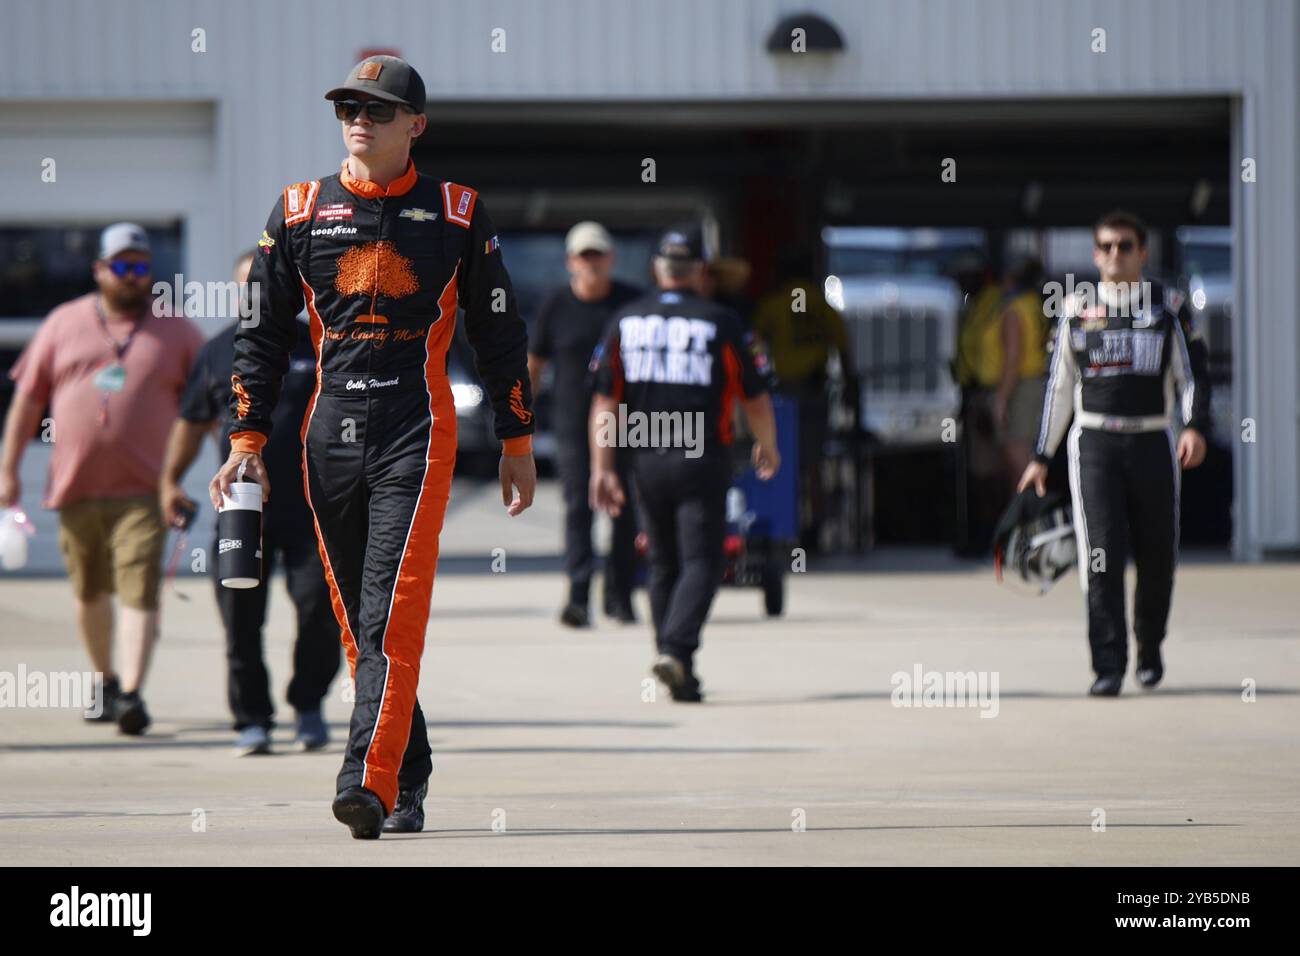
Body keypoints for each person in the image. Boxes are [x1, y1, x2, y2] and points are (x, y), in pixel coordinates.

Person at [208, 55, 536, 839]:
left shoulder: (457, 212)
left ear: (415, 125)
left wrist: (516, 436)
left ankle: (368, 780)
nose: (361, 118)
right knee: (360, 620)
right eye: (350, 106)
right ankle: (411, 771)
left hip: (415, 433)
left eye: (380, 109)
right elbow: (257, 335)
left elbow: (499, 331)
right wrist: (247, 438)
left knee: (391, 613)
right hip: (327, 436)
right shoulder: (297, 211)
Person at [0, 223, 203, 734]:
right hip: (75, 488)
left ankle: (132, 694)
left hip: (146, 491)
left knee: (139, 590)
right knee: (90, 591)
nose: (132, 276)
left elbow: (208, 400)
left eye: (140, 266)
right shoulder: (62, 323)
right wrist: (7, 471)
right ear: (99, 270)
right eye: (121, 266)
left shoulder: (174, 329)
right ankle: (106, 680)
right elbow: (27, 403)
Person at [1019, 210, 1210, 697]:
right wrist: (1042, 455)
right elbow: (1059, 388)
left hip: (1152, 440)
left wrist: (1192, 427)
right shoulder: (1076, 310)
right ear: (1094, 255)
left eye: (1125, 246)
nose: (1115, 255)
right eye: (1105, 247)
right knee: (1099, 554)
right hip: (1095, 443)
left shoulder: (1169, 307)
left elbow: (1192, 376)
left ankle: (1149, 647)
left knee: (1157, 553)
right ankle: (1107, 664)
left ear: (1143, 252)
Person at [590, 224, 779, 702]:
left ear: (657, 269)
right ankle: (675, 649)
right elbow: (754, 396)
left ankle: (677, 662)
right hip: (700, 455)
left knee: (662, 560)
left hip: (645, 456)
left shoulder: (625, 320)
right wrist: (768, 444)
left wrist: (603, 467)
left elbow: (605, 402)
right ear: (699, 271)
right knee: (704, 559)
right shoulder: (721, 323)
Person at [161, 250, 340, 756]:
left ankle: (307, 704)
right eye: (250, 286)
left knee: (320, 612)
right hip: (242, 506)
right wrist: (170, 481)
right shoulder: (219, 350)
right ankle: (252, 719)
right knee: (240, 615)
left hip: (311, 505)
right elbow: (192, 423)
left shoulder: (321, 342)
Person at [527, 221, 641, 627]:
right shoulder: (556, 305)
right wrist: (520, 416)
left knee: (625, 510)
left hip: (627, 422)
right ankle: (578, 597)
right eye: (583, 255)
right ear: (571, 261)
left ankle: (621, 595)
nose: (591, 263)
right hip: (573, 424)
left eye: (598, 255)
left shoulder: (632, 303)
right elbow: (535, 364)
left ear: (611, 258)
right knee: (579, 507)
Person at [752, 248, 854, 552]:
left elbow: (754, 346)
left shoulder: (775, 304)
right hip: (816, 390)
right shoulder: (823, 306)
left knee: (781, 461)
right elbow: (844, 352)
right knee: (814, 464)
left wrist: (759, 381)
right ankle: (814, 530)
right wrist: (850, 390)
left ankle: (787, 528)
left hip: (785, 394)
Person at [951, 253, 1010, 555]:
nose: (960, 282)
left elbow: (999, 351)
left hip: (990, 393)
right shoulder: (972, 305)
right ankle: (981, 535)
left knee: (992, 474)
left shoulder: (995, 303)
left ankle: (999, 535)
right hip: (973, 394)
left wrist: (993, 401)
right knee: (977, 473)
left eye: (966, 275)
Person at [990, 257, 1050, 487]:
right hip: (1036, 385)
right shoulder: (1034, 303)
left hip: (1022, 388)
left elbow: (1013, 358)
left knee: (1019, 460)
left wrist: (1001, 399)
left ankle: (1027, 516)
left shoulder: (1015, 310)